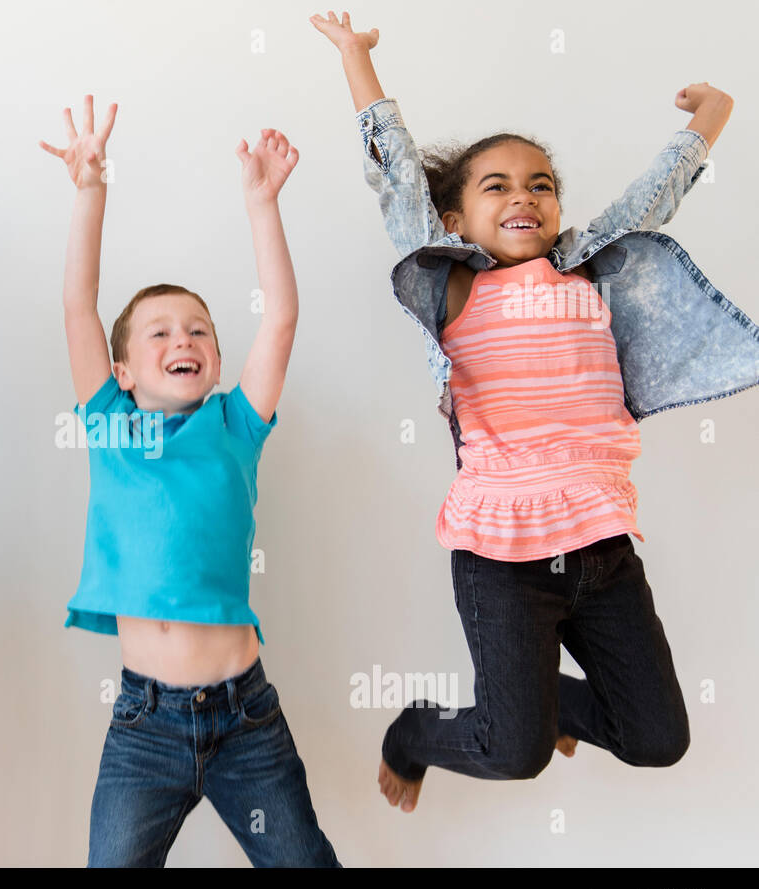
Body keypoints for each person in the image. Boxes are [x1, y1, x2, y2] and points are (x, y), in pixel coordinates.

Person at [312, 10, 755, 813]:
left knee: (658, 736)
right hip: (504, 555)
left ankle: (532, 695)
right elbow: (399, 179)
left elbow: (651, 202)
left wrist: (711, 119)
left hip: (603, 546)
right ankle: (419, 730)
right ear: (456, 221)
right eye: (498, 186)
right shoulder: (455, 287)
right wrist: (356, 61)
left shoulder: (586, 269)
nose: (525, 196)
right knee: (517, 755)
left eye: (541, 184)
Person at [43, 95, 340, 866]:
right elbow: (79, 305)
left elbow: (280, 316)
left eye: (200, 329)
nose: (185, 340)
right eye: (162, 332)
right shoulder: (111, 424)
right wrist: (90, 192)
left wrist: (262, 205)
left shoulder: (235, 425)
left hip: (248, 719)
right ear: (122, 370)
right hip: (146, 725)